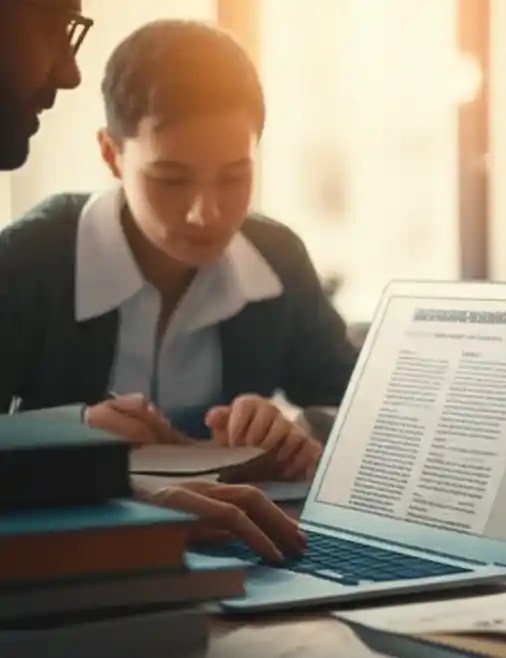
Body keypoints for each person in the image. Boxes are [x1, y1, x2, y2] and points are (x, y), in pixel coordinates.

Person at [0, 4, 304, 563]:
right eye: (170, 179)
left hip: (238, 546)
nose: (204, 214)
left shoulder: (277, 256)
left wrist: (292, 434)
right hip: (80, 558)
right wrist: (75, 431)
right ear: (112, 155)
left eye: (235, 176)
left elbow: (346, 402)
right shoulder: (26, 262)